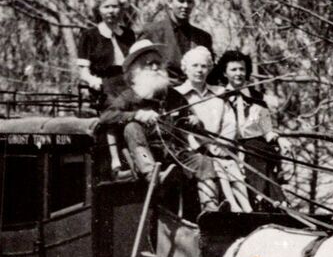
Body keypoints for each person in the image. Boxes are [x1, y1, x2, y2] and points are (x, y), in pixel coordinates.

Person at [174, 46, 248, 212]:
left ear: (209, 69)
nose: (200, 70)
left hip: (221, 149)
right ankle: (214, 210)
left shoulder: (219, 93)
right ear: (185, 68)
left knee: (231, 167)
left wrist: (221, 146)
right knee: (211, 164)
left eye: (204, 66)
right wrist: (202, 147)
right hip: (193, 151)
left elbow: (230, 123)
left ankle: (246, 211)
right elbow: (178, 129)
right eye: (195, 66)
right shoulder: (176, 95)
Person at [96, 39, 182, 176]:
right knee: (132, 127)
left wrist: (193, 118)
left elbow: (185, 115)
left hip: (173, 154)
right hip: (141, 157)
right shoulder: (129, 96)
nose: (155, 68)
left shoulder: (172, 95)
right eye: (149, 64)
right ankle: (151, 173)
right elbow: (106, 117)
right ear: (137, 70)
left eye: (158, 63)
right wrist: (135, 115)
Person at [210, 50, 283, 211]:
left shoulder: (257, 98)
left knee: (259, 147)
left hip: (253, 145)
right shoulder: (217, 97)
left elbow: (267, 127)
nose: (239, 73)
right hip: (226, 146)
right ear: (225, 72)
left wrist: (276, 137)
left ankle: (268, 200)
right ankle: (270, 200)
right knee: (254, 149)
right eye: (234, 70)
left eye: (242, 69)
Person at [141, 0, 213, 83]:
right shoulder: (151, 32)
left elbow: (210, 74)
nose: (185, 6)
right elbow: (140, 70)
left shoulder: (203, 37)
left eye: (189, 2)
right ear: (170, 3)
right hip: (163, 94)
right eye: (181, 1)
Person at [72, 0, 135, 104]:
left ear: (121, 9)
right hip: (103, 88)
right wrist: (93, 81)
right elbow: (83, 73)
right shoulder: (89, 35)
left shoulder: (128, 34)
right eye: (106, 7)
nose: (111, 11)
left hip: (127, 85)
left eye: (115, 7)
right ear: (98, 10)